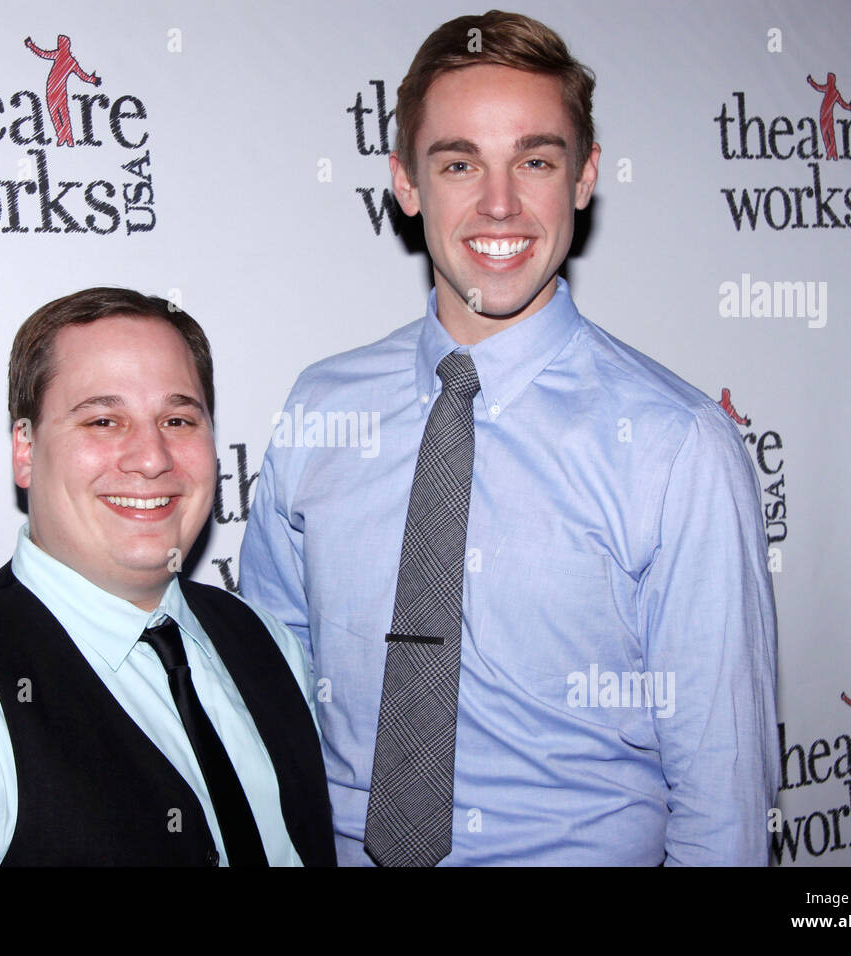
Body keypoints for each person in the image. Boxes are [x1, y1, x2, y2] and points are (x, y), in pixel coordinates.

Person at [240, 11, 778, 866]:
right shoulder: (321, 407)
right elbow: (265, 680)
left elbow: (725, 799)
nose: (499, 203)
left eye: (535, 160)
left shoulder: (677, 447)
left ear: (585, 177)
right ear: (406, 184)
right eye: (459, 163)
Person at [0, 288, 335, 866]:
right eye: (104, 420)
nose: (151, 457)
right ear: (25, 449)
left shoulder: (266, 640)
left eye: (177, 419)